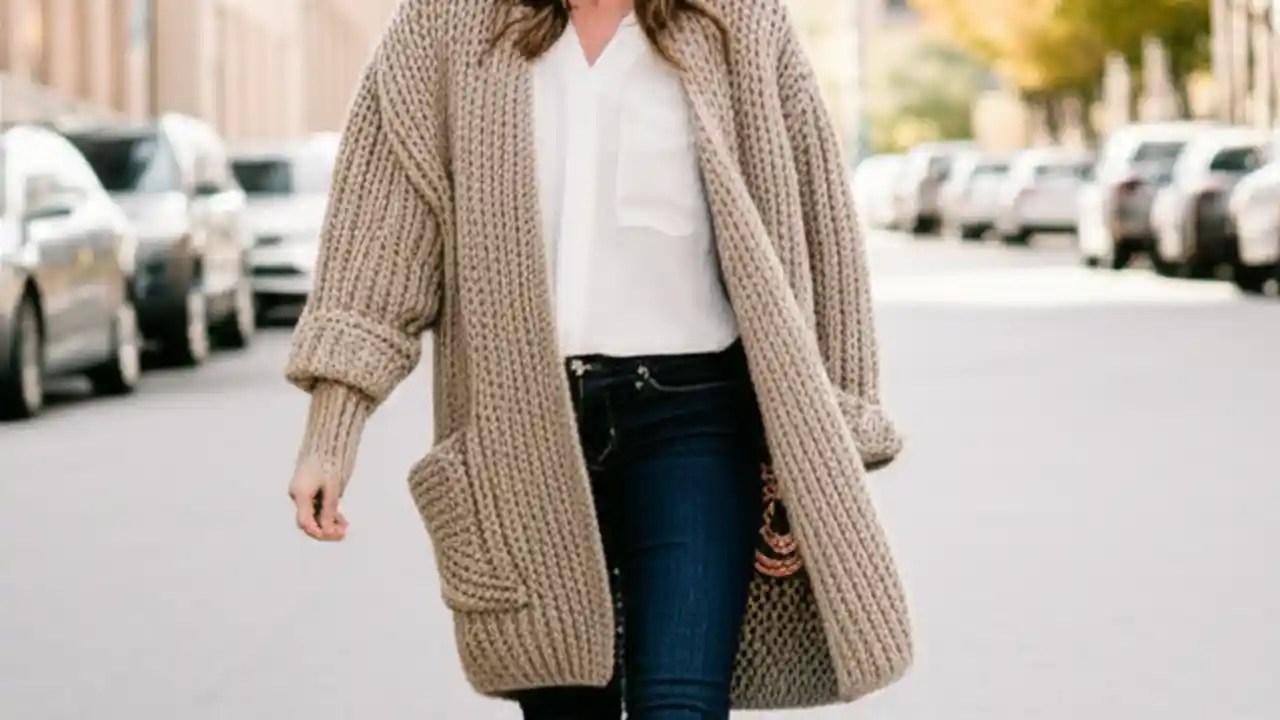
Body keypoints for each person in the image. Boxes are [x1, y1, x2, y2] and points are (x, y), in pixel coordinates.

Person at [284, 0, 913, 718]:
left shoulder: (737, 20)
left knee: (680, 704)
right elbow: (380, 238)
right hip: (517, 436)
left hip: (695, 423)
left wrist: (844, 413)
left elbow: (817, 216)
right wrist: (331, 431)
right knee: (565, 707)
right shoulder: (445, 26)